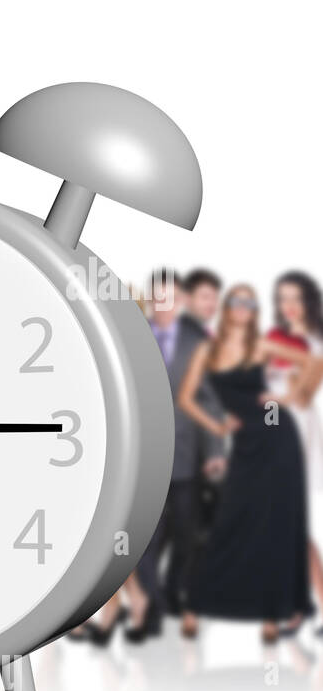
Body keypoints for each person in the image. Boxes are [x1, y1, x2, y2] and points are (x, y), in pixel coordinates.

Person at [179, 284, 323, 642]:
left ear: (255, 310)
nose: (243, 306)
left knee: (276, 526)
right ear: (227, 307)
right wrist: (217, 426)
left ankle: (271, 614)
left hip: (278, 439)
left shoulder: (260, 345)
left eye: (250, 302)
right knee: (228, 521)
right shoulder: (207, 349)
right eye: (237, 301)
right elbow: (186, 398)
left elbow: (312, 362)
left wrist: (288, 396)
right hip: (245, 444)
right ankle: (195, 606)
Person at [132, 270, 228, 639]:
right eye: (157, 298)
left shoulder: (196, 341)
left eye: (170, 298)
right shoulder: (132, 334)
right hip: (143, 459)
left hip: (187, 457)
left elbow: (208, 399)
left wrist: (215, 450)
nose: (163, 305)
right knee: (145, 540)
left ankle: (173, 591)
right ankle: (153, 606)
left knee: (187, 537)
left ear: (182, 301)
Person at [266, 271, 323, 630]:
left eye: (296, 298)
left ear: (308, 301)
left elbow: (302, 395)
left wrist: (280, 383)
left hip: (297, 433)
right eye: (282, 297)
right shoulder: (275, 337)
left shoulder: (315, 342)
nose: (288, 305)